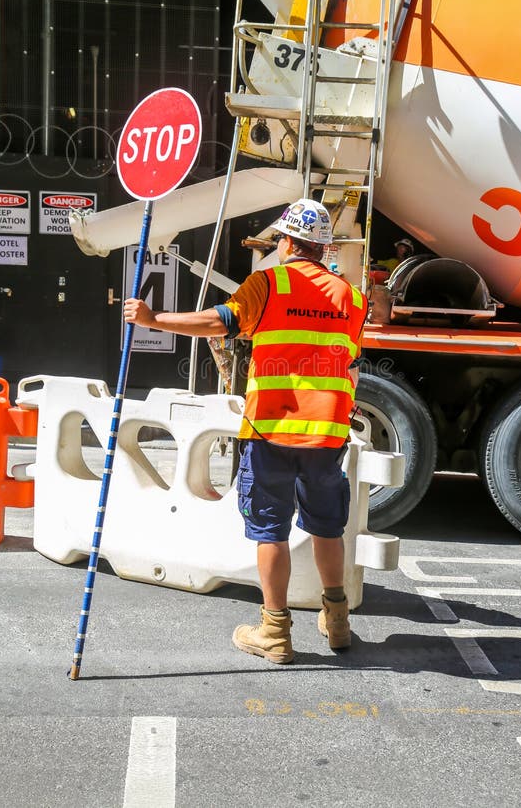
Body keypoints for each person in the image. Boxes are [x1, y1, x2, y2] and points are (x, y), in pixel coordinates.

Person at [123, 198, 368, 665]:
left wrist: (153, 320)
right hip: (327, 432)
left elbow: (220, 322)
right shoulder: (351, 297)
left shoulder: (269, 283)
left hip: (271, 428)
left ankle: (274, 632)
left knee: (271, 531)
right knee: (326, 526)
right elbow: (350, 360)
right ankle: (337, 621)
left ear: (288, 242)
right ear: (323, 247)